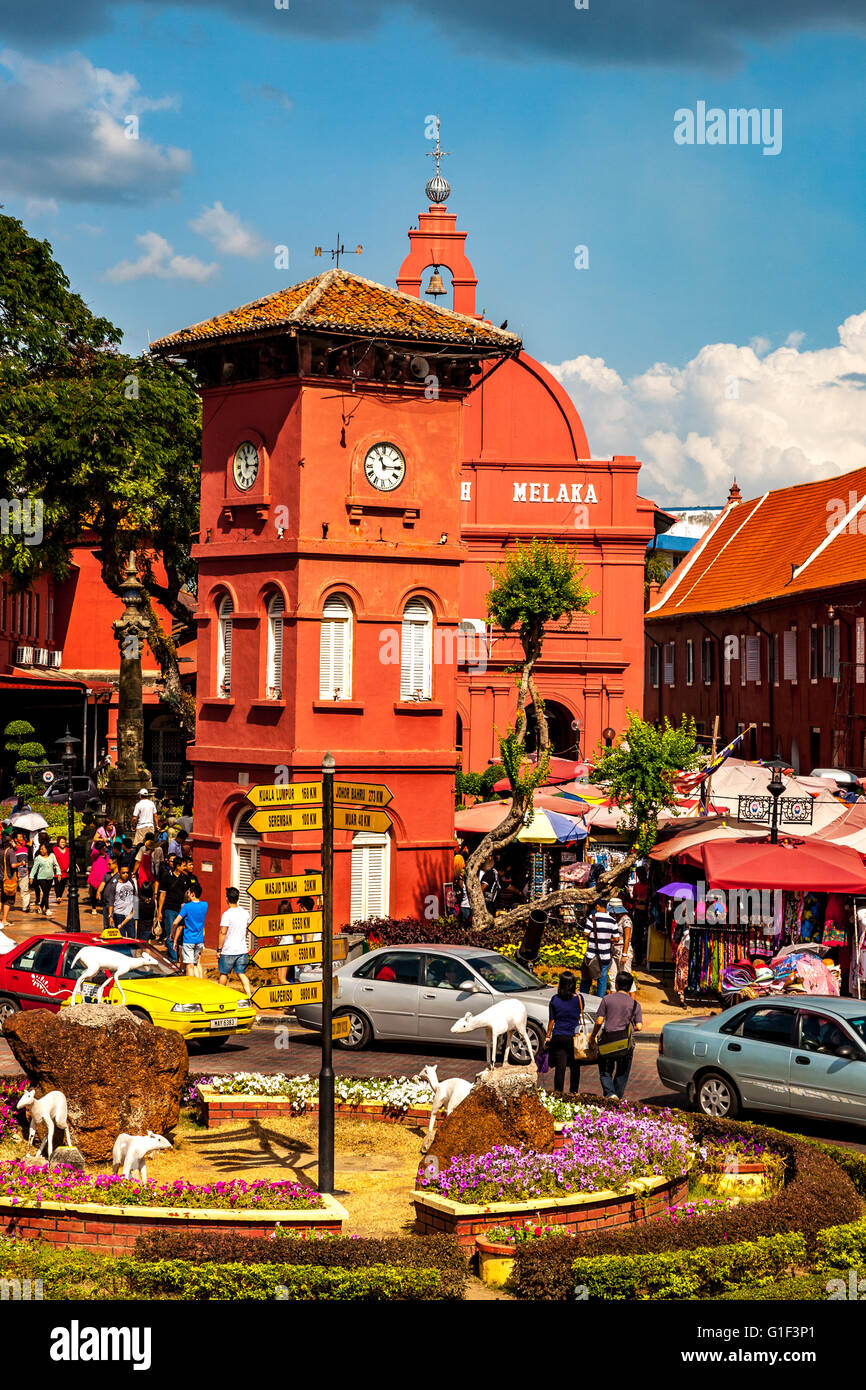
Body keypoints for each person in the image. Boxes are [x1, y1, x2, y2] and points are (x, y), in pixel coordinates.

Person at [590, 971, 643, 1100]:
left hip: (608, 1041)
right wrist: (630, 1027)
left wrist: (593, 1036)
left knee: (605, 1071)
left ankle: (609, 1093)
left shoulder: (607, 999)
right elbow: (639, 1026)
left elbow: (599, 1021)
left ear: (616, 984)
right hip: (626, 1045)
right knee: (622, 1073)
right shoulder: (635, 1004)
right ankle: (616, 1100)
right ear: (630, 987)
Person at [544, 970, 586, 1097]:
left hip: (558, 1036)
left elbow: (552, 1020)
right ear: (573, 984)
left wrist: (547, 1036)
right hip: (573, 1037)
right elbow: (579, 1012)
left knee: (560, 1067)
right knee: (575, 1066)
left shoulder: (555, 999)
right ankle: (573, 1092)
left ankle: (558, 1093)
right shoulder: (579, 998)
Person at [218, 887, 253, 998]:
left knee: (224, 974)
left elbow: (223, 932)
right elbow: (247, 929)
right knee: (241, 974)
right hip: (242, 949)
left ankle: (220, 997)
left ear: (227, 899)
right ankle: (249, 996)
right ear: (238, 898)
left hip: (228, 950)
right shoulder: (245, 913)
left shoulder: (226, 914)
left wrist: (219, 949)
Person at [581, 902, 621, 998]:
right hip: (605, 955)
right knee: (602, 980)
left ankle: (583, 999)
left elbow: (586, 933)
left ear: (598, 906)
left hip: (591, 955)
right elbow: (616, 939)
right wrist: (606, 939)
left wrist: (595, 937)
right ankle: (599, 1002)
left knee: (587, 978)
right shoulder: (612, 920)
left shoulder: (592, 917)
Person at [173, 885, 207, 979]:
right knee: (196, 964)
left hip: (189, 940)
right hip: (199, 940)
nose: (187, 894)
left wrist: (172, 933)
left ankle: (192, 985)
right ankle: (200, 983)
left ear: (193, 894)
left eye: (189, 893)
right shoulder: (205, 905)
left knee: (189, 965)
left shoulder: (186, 907)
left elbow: (176, 922)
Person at [157, 858, 187, 963]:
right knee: (171, 934)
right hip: (169, 910)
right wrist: (160, 911)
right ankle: (174, 958)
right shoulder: (167, 877)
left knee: (180, 935)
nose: (185, 867)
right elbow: (162, 895)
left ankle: (178, 957)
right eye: (183, 865)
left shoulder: (185, 878)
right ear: (177, 866)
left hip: (181, 910)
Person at [608, 897, 635, 990]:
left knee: (626, 977)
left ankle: (631, 1002)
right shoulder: (615, 919)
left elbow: (627, 938)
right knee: (612, 976)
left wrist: (624, 954)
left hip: (623, 952)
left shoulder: (626, 920)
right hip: (614, 952)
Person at [29, 842, 61, 918]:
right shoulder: (38, 858)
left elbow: (56, 864)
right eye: (40, 849)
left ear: (47, 849)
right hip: (41, 878)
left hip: (50, 877)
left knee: (46, 893)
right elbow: (34, 868)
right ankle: (47, 909)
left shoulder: (52, 856)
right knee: (45, 892)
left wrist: (59, 874)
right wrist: (31, 877)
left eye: (42, 849)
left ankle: (40, 906)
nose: (41, 850)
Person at [111, 864, 139, 935]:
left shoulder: (132, 882)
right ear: (119, 873)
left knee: (132, 939)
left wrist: (135, 915)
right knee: (120, 939)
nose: (126, 874)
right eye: (123, 873)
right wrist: (110, 916)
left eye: (127, 872)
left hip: (129, 916)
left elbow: (135, 896)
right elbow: (111, 900)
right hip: (119, 915)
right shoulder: (115, 884)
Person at [13, 831, 31, 914]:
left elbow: (26, 861)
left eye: (22, 837)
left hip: (24, 871)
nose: (22, 839)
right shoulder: (13, 850)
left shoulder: (25, 848)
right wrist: (16, 871)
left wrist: (27, 869)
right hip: (15, 872)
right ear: (15, 839)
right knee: (10, 891)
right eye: (20, 837)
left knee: (25, 890)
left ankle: (25, 907)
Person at [1, 834, 17, 926]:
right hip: (8, 879)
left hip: (1, 877)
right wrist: (21, 863)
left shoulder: (1, 850)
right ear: (10, 842)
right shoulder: (10, 852)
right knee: (8, 900)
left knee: (1, 899)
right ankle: (4, 920)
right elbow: (13, 865)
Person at [53, 836, 70, 902]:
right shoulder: (55, 849)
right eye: (61, 842)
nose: (63, 843)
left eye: (64, 842)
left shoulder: (68, 850)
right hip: (57, 871)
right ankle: (58, 896)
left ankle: (60, 896)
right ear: (58, 843)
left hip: (65, 871)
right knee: (57, 884)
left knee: (63, 884)